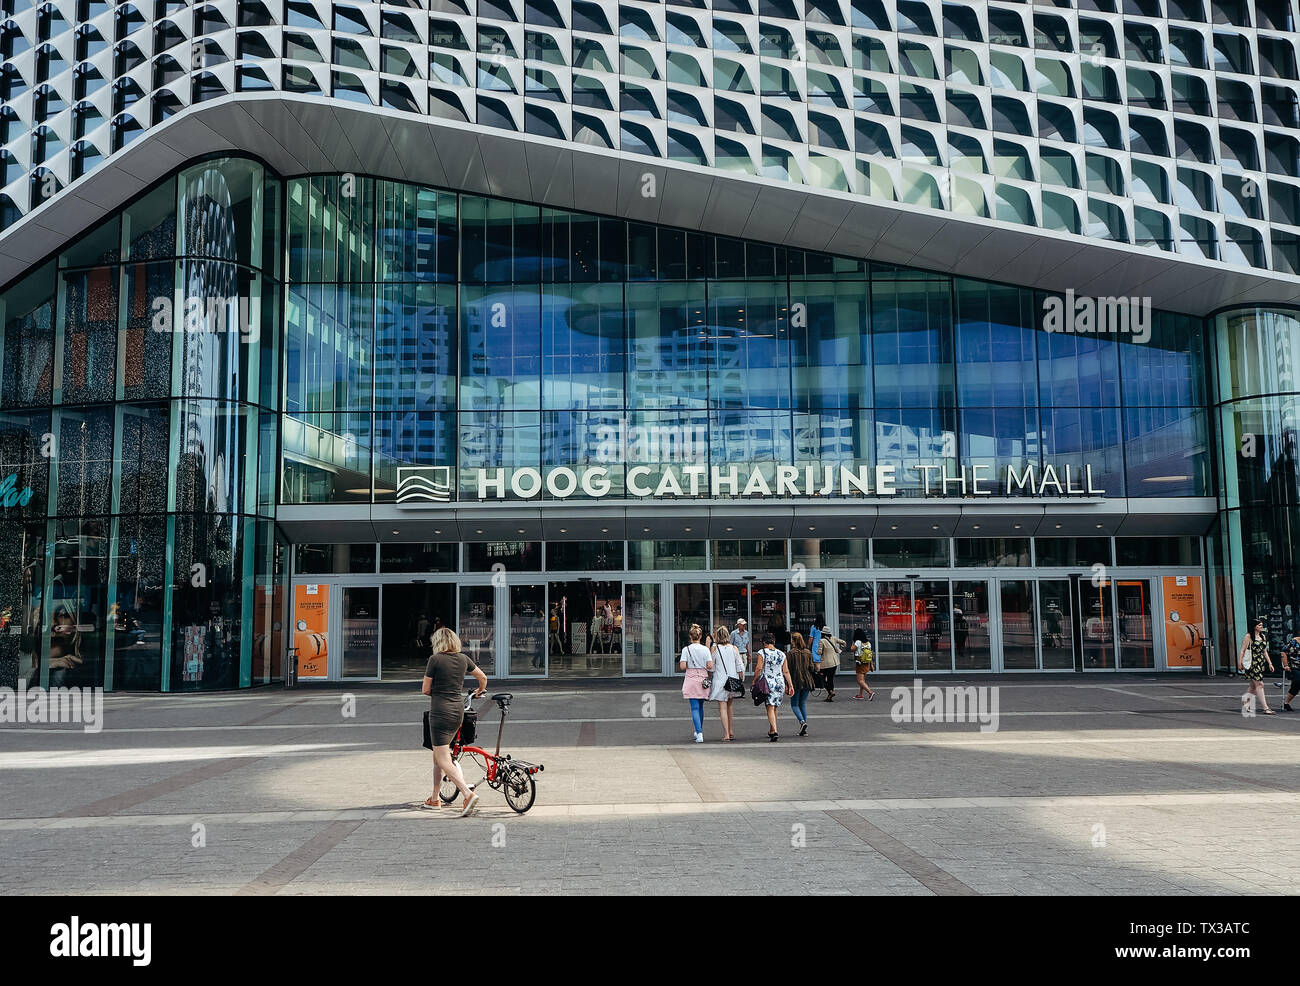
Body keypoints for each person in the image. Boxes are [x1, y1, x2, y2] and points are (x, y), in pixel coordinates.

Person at [421, 627, 489, 815]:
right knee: (438, 757)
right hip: (457, 711)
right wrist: (479, 691)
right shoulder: (463, 659)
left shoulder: (434, 660)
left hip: (440, 712)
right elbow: (483, 677)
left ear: (438, 642)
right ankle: (435, 799)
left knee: (443, 758)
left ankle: (467, 794)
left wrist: (439, 691)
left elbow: (425, 690)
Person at [755, 632, 793, 741]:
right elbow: (786, 671)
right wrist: (790, 685)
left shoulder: (762, 652)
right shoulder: (782, 654)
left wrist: (754, 680)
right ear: (774, 642)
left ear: (764, 643)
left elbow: (758, 668)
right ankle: (772, 729)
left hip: (768, 683)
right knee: (775, 707)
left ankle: (775, 731)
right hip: (780, 682)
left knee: (769, 707)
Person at [680, 623, 714, 743]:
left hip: (691, 679)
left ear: (690, 636)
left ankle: (699, 732)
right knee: (700, 707)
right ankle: (699, 730)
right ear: (700, 637)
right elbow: (710, 665)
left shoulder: (686, 649)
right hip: (702, 679)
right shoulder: (705, 649)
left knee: (694, 707)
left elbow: (683, 666)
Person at [709, 624, 743, 741]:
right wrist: (740, 679)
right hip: (732, 681)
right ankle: (731, 730)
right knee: (730, 706)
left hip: (720, 681)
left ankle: (726, 734)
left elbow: (711, 668)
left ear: (717, 636)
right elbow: (740, 667)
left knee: (722, 708)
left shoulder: (715, 649)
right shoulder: (734, 648)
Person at [1238, 619, 1276, 716]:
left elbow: (1264, 651)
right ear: (1254, 626)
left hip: (1260, 662)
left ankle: (1245, 704)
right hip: (1252, 663)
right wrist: (1239, 663)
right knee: (1260, 684)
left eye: (1262, 625)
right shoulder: (1248, 636)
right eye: (1259, 625)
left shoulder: (1262, 636)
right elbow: (1242, 650)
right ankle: (1265, 708)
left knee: (1253, 686)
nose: (1261, 627)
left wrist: (1270, 663)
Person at [785, 632, 817, 736]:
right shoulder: (808, 652)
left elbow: (787, 669)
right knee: (802, 703)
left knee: (794, 704)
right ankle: (804, 727)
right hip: (807, 681)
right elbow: (812, 668)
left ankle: (802, 722)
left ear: (793, 641)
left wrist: (787, 684)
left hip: (796, 681)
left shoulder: (790, 654)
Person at [817, 624, 843, 701]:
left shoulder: (821, 641)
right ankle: (830, 695)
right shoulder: (834, 638)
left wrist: (816, 651)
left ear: (822, 634)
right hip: (834, 663)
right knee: (830, 679)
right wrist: (842, 648)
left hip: (826, 664)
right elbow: (843, 642)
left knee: (822, 679)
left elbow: (819, 652)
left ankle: (830, 692)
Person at [851, 628, 875, 701]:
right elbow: (870, 655)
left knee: (860, 681)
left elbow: (852, 649)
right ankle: (860, 695)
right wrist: (871, 665)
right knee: (863, 680)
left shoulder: (858, 642)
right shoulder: (868, 643)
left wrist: (853, 642)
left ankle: (870, 692)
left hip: (860, 663)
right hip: (867, 663)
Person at [1282, 629, 1300, 712]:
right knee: (1297, 681)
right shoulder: (1294, 641)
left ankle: (1286, 703)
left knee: (1296, 686)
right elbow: (1284, 652)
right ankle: (1286, 702)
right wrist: (1286, 665)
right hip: (1294, 665)